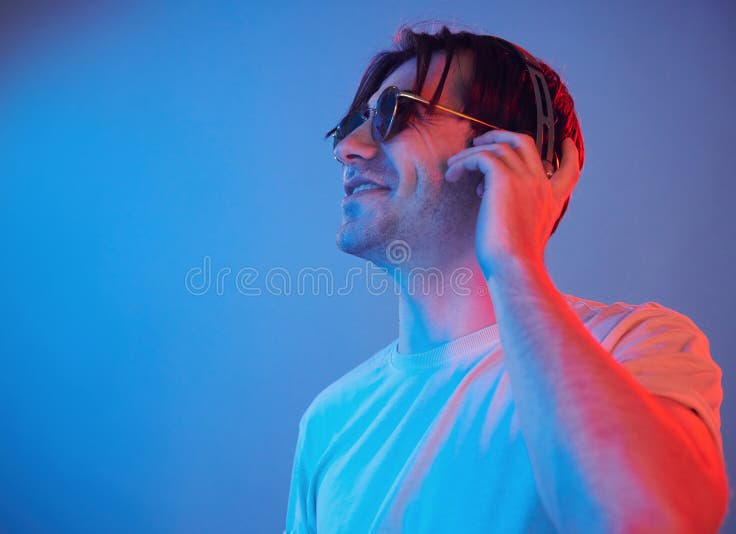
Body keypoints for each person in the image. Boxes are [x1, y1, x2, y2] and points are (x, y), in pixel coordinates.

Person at [284, 25, 729, 533]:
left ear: (522, 153)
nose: (350, 148)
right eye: (350, 126)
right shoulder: (330, 420)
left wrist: (514, 260)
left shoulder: (633, 345)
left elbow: (658, 521)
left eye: (394, 113)